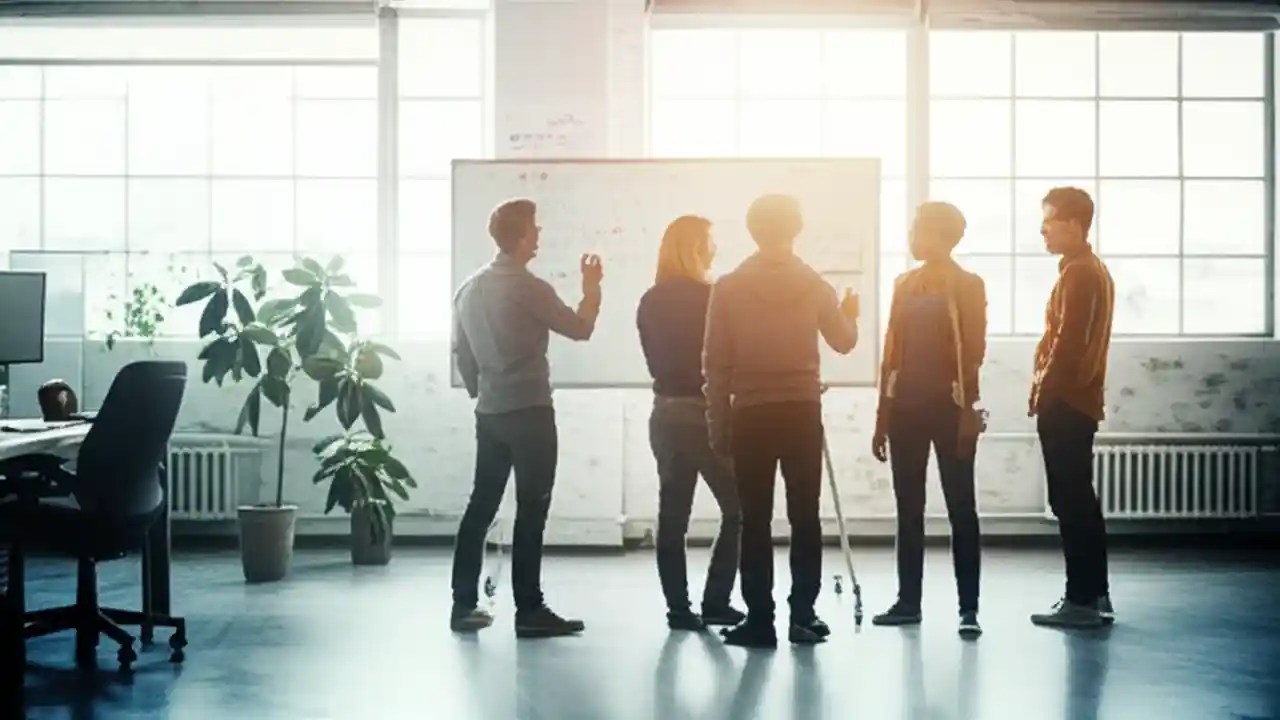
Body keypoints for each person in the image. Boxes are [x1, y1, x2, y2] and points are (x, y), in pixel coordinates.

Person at [703, 194, 860, 648]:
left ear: (752, 230)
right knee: (805, 517)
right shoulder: (814, 285)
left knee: (754, 520)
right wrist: (850, 315)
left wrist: (717, 422)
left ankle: (759, 620)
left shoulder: (729, 287)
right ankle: (803, 616)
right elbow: (844, 342)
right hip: (801, 411)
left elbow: (715, 363)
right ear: (797, 229)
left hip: (750, 413)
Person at [450, 198, 604, 638]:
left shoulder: (468, 289)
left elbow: (462, 352)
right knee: (532, 509)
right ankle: (530, 610)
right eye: (534, 229)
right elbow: (580, 328)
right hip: (530, 411)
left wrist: (483, 391)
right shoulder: (528, 287)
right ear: (520, 237)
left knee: (481, 505)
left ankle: (463, 605)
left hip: (490, 413)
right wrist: (592, 290)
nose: (538, 235)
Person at [869, 201, 987, 638]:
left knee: (962, 509)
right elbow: (891, 354)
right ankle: (908, 603)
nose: (911, 237)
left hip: (950, 411)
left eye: (917, 229)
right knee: (908, 510)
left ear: (940, 235)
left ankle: (969, 609)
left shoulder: (968, 285)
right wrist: (882, 418)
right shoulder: (904, 284)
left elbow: (974, 353)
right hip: (905, 411)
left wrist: (968, 412)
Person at [637, 215, 745, 633]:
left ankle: (678, 610)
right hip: (705, 415)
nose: (715, 248)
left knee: (673, 516)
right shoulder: (713, 297)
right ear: (698, 248)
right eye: (711, 242)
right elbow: (729, 359)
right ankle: (716, 601)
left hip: (665, 414)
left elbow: (655, 360)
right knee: (739, 510)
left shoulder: (650, 300)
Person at [1028, 186, 1116, 629]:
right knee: (1080, 499)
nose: (1042, 230)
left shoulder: (1080, 273)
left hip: (1066, 402)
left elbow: (1067, 343)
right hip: (1078, 401)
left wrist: (1044, 391)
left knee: (1069, 500)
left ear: (1074, 225)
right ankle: (1095, 594)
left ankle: (1081, 601)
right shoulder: (1088, 269)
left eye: (1049, 221)